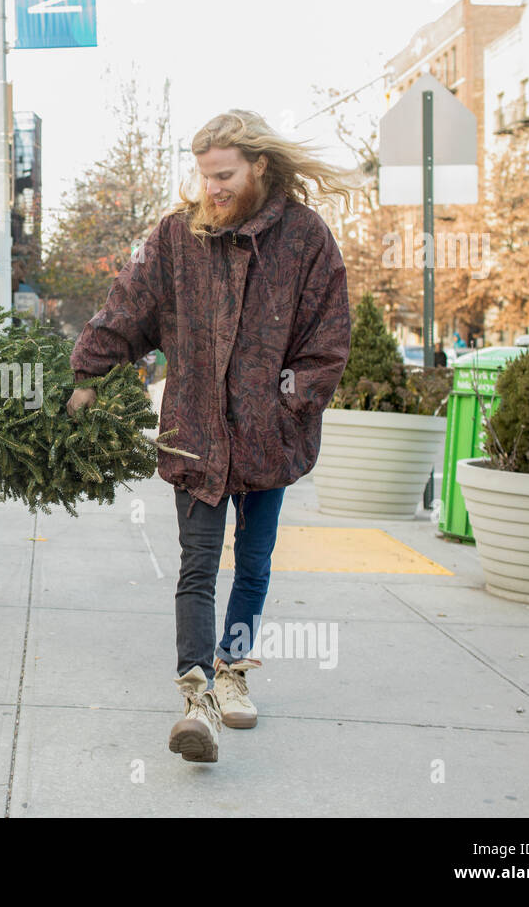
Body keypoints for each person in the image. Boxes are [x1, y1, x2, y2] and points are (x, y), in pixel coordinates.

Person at [67, 110, 356, 763]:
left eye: (224, 175)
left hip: (266, 440)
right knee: (197, 566)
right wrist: (87, 372)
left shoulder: (306, 238)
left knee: (253, 562)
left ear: (258, 167)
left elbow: (328, 341)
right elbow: (128, 307)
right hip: (195, 432)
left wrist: (285, 406)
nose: (213, 189)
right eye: (204, 177)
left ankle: (234, 672)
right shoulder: (178, 236)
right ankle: (196, 696)